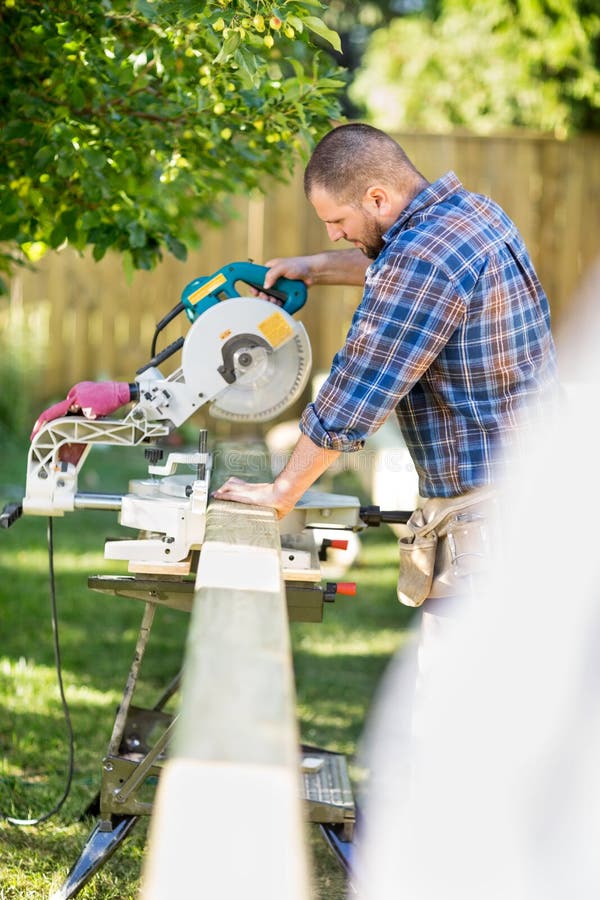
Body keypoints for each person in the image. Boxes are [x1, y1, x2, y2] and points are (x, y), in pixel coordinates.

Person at [213, 124, 559, 601]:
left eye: (337, 222)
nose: (334, 233)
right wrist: (314, 269)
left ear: (377, 198)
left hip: (491, 523)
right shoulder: (474, 215)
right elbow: (398, 266)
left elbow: (357, 390)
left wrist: (282, 491)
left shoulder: (421, 260)